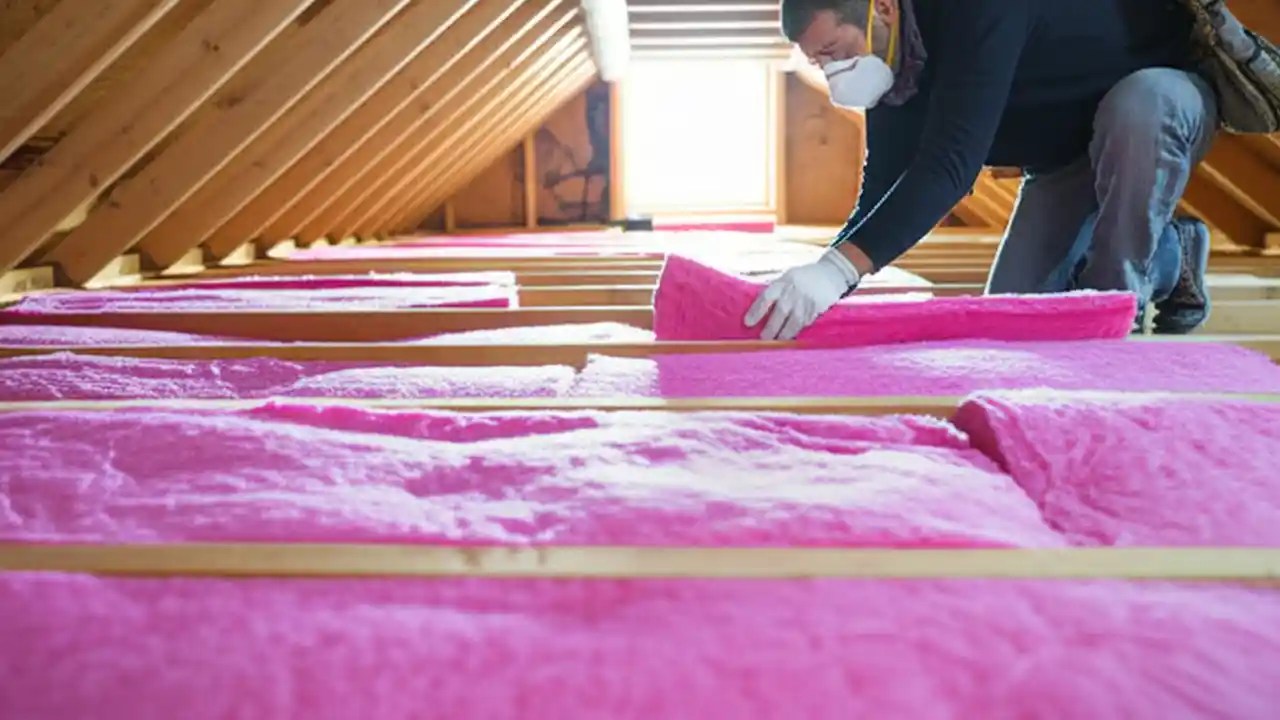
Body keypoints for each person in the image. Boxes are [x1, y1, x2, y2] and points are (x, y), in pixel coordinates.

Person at [746, 0, 1218, 340]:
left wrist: (836, 270)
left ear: (882, 9)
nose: (831, 70)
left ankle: (1120, 302)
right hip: (1064, 159)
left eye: (831, 48)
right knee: (1008, 325)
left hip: (1164, 102)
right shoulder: (896, 68)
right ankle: (1169, 257)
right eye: (817, 61)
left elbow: (950, 166)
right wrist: (828, 275)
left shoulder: (973, 10)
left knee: (1136, 111)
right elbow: (883, 188)